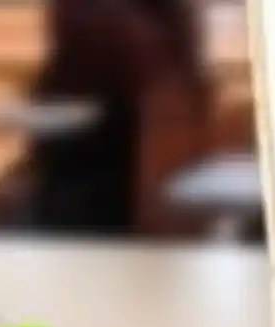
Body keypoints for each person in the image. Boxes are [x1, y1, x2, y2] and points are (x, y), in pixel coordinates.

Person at [27, 0, 210, 234]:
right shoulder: (88, 43)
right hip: (64, 223)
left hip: (92, 237)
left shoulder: (127, 40)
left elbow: (159, 211)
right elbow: (49, 166)